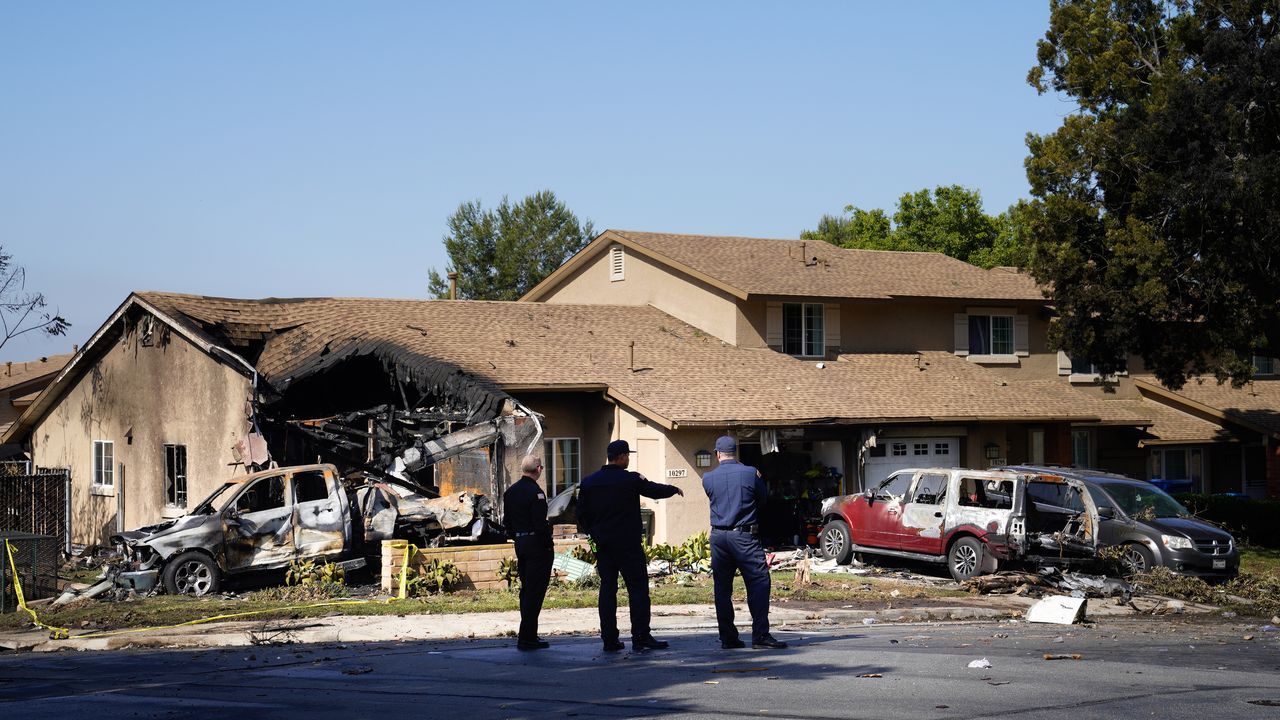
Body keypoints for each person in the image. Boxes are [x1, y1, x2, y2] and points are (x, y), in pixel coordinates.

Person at [577, 439, 683, 652]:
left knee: (607, 590)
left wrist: (594, 535)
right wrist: (673, 489)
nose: (628, 459)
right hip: (628, 546)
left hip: (604, 546)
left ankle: (609, 639)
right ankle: (641, 636)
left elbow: (581, 515)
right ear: (622, 456)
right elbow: (653, 490)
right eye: (627, 456)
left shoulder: (589, 482)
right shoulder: (630, 479)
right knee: (638, 590)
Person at [702, 435, 786, 650]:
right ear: (735, 453)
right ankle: (760, 636)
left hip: (719, 537)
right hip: (744, 536)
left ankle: (728, 638)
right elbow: (763, 499)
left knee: (722, 589)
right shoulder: (750, 473)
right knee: (759, 583)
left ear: (718, 454)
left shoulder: (707, 478)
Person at [502, 454, 554, 650]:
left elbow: (507, 523)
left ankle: (528, 634)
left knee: (527, 590)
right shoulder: (536, 493)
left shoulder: (511, 492)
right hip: (537, 546)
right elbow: (540, 524)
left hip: (521, 544)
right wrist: (548, 544)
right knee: (535, 591)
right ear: (538, 469)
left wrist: (518, 537)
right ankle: (527, 637)